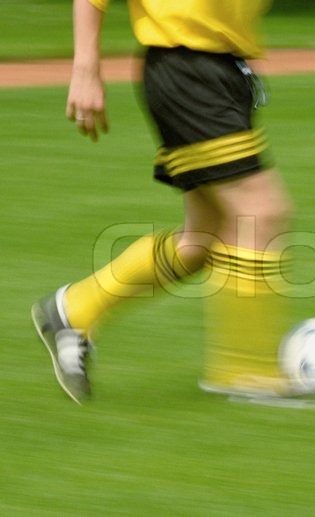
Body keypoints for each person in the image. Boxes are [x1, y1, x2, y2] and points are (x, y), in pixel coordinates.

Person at [32, 0, 296, 404]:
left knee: (202, 241)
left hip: (224, 72)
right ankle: (246, 373)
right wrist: (86, 69)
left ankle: (74, 309)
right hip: (187, 69)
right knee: (259, 212)